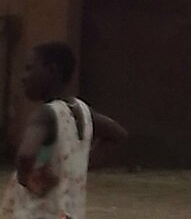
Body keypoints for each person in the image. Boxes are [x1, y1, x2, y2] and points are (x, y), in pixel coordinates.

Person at [1, 42, 127, 219]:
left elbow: (25, 155)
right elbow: (118, 135)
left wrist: (26, 178)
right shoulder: (82, 111)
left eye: (29, 68)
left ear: (52, 70)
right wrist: (79, 164)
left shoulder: (45, 114)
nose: (23, 77)